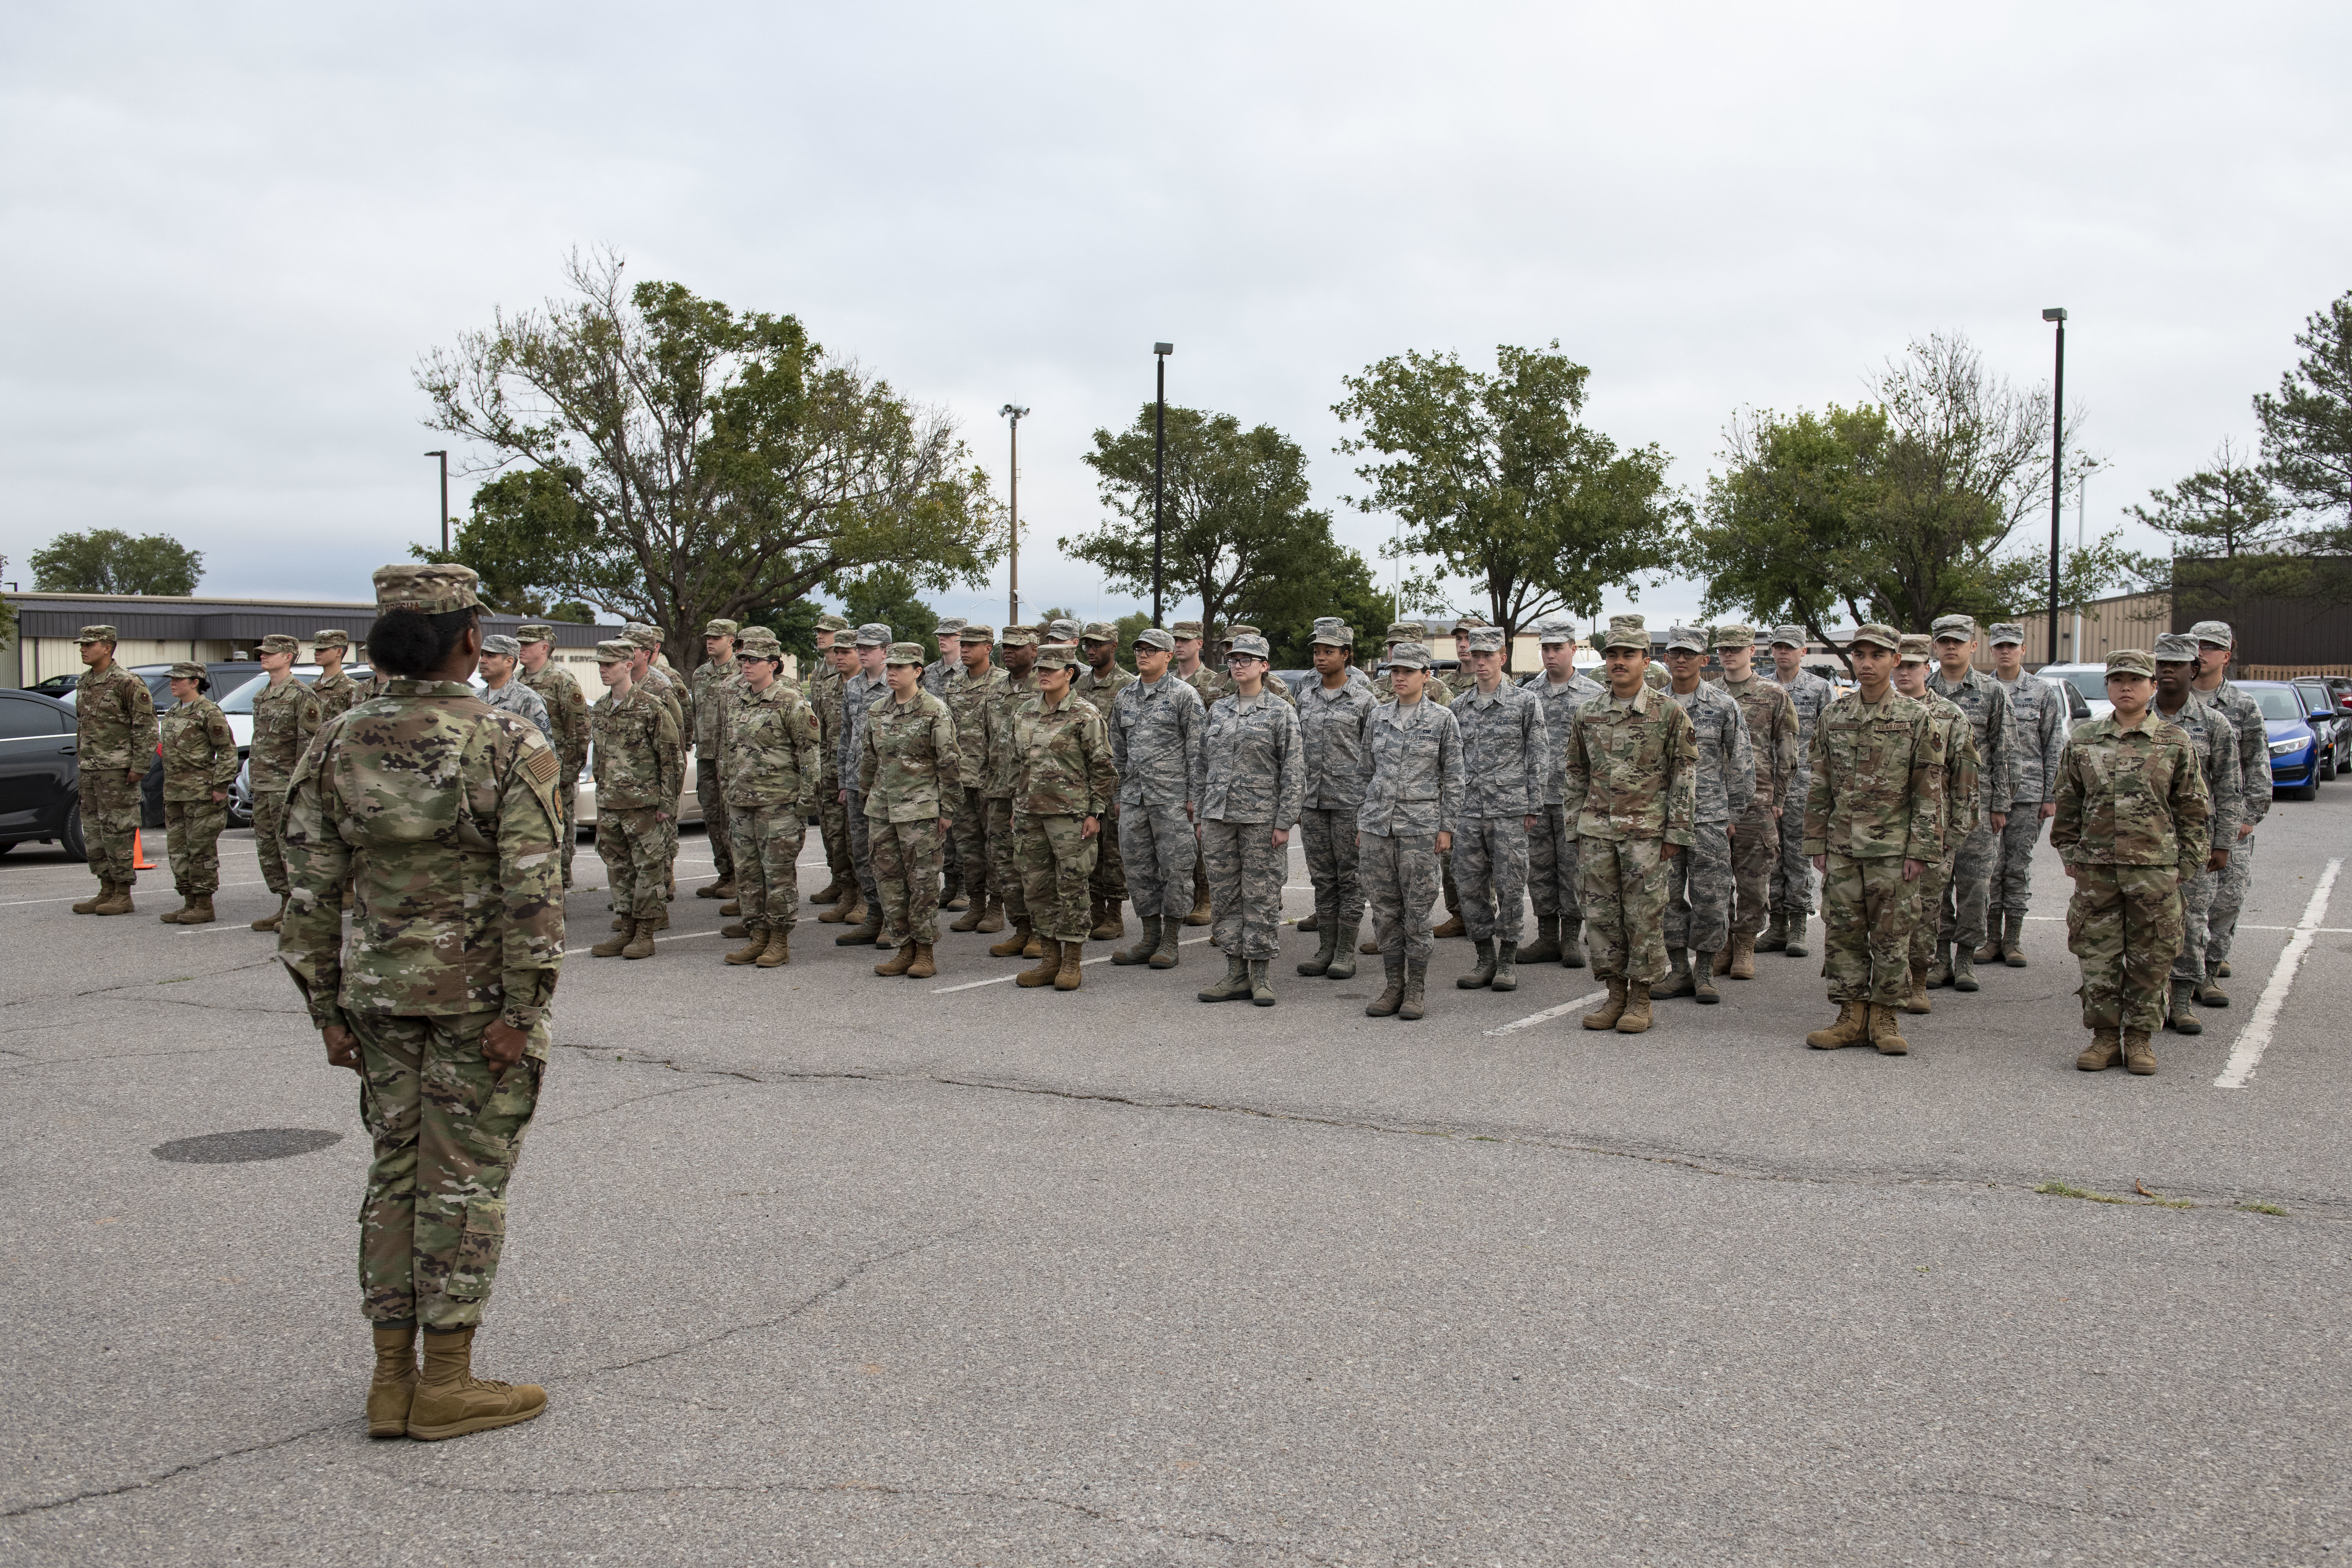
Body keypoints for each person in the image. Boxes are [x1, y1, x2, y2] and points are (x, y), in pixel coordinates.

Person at [278, 563, 565, 1443]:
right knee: (463, 1181)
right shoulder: (508, 740)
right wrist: (522, 1011)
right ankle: (445, 1382)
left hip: (376, 998)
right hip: (478, 1005)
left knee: (396, 1176)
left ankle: (389, 1383)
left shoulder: (337, 740)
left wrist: (326, 1010)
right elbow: (532, 890)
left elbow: (307, 887)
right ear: (470, 638)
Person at [2052, 649, 2213, 1075]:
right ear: (2108, 686)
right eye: (2117, 680)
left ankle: (2140, 1038)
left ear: (2152, 687)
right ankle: (2105, 1038)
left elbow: (2193, 808)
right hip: (2097, 872)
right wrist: (2070, 853)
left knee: (2151, 958)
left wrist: (2186, 865)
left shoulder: (2174, 741)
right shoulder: (2084, 739)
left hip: (2155, 871)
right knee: (2097, 956)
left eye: (2136, 680)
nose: (2126, 687)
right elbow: (2068, 801)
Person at [1802, 624, 1941, 1056]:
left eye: (1877, 655)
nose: (1867, 663)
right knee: (1843, 933)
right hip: (1843, 846)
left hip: (1893, 848)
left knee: (1892, 935)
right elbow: (1820, 782)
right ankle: (1851, 1016)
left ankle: (1885, 1016)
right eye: (1860, 655)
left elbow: (1928, 788)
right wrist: (1817, 842)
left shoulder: (1916, 717)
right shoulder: (1835, 715)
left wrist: (1921, 849)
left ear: (1895, 660)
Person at [1562, 615, 1697, 1034]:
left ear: (1645, 659)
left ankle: (1641, 998)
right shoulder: (1587, 713)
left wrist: (1676, 834)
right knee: (1601, 918)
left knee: (1644, 917)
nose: (1619, 662)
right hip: (1597, 833)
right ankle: (1615, 994)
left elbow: (1684, 777)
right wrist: (1575, 828)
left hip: (1646, 835)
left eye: (1629, 654)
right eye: (1613, 655)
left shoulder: (1668, 713)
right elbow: (1575, 773)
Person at [1356, 642, 1464, 1020]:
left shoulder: (1442, 719)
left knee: (1417, 912)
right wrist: (1363, 821)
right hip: (1377, 828)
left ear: (1426, 675)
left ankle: (1416, 988)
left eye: (1407, 671)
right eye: (1394, 671)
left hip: (1420, 829)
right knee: (1384, 911)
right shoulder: (1378, 716)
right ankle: (1393, 986)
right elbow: (1365, 772)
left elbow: (1455, 777)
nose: (1399, 677)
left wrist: (1447, 827)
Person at [1195, 633, 1303, 1005]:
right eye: (1233, 659)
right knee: (1225, 895)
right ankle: (1235, 972)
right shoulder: (1219, 710)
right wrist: (1201, 812)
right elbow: (1202, 765)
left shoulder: (1280, 711)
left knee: (1261, 895)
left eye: (1247, 659)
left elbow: (1294, 769)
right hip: (1219, 817)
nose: (1238, 665)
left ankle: (1260, 975)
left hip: (1261, 819)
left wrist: (1285, 821)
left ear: (1264, 666)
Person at [1011, 643, 1117, 991]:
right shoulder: (1025, 712)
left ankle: (1072, 961)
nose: (1043, 674)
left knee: (1072, 887)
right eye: (1040, 669)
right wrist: (1016, 807)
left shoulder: (1085, 715)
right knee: (1036, 888)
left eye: (1051, 670)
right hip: (1030, 815)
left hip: (1071, 817)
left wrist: (1096, 812)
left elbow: (1103, 768)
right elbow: (1016, 765)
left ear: (1069, 674)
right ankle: (1049, 959)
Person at [1655, 625, 1752, 1004]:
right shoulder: (1654, 704)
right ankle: (1679, 969)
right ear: (1666, 658)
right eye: (1675, 653)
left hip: (1709, 818)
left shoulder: (1723, 705)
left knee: (1711, 898)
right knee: (1666, 898)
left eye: (1689, 654)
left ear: (1704, 660)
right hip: (1662, 820)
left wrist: (1733, 814)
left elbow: (1742, 763)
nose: (1681, 659)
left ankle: (1706, 971)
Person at [2151, 633, 2242, 1035]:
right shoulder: (2136, 716)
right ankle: (2150, 1000)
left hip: (2194, 842)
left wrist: (2223, 843)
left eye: (2178, 663)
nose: (2168, 670)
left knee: (2191, 921)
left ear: (2194, 668)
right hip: (2143, 841)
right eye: (2162, 663)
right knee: (2145, 922)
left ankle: (2183, 1000)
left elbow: (2230, 787)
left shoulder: (2214, 723)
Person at [1447, 625, 1547, 992]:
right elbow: (1450, 763)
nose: (1481, 662)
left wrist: (1534, 804)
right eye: (1476, 655)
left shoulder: (1524, 702)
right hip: (1468, 810)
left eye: (1488, 655)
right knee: (1470, 886)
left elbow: (1538, 754)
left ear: (1503, 657)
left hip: (1510, 809)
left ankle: (1507, 959)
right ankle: (1484, 957)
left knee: (1510, 885)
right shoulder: (1459, 706)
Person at [1925, 615, 2018, 992]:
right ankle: (1939, 958)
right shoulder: (1922, 688)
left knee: (1976, 885)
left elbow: (2006, 751)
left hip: (1977, 806)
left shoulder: (1992, 692)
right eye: (1944, 641)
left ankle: (1965, 957)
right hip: (1931, 807)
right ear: (1935, 646)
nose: (1951, 647)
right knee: (1935, 885)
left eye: (1959, 641)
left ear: (1973, 646)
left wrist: (2002, 805)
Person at [719, 627, 821, 969]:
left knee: (777, 874)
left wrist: (806, 803)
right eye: (743, 659)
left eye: (754, 660)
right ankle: (757, 935)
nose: (746, 665)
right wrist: (728, 790)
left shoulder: (791, 701)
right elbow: (729, 751)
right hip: (741, 802)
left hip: (779, 804)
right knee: (748, 873)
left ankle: (779, 939)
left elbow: (809, 754)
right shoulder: (736, 700)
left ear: (774, 664)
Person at [860, 642, 961, 978]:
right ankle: (904, 948)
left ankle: (925, 952)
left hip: (921, 812)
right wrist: (866, 798)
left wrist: (947, 809)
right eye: (889, 667)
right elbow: (869, 759)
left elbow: (949, 762)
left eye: (899, 668)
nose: (892, 673)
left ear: (918, 671)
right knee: (888, 882)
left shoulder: (934, 710)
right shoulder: (877, 710)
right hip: (882, 810)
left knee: (923, 884)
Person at [1110, 626, 1207, 970]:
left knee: (1176, 869)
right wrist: (1119, 794)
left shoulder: (1184, 695)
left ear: (1168, 656)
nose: (1143, 655)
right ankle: (1149, 936)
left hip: (1172, 798)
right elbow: (1117, 752)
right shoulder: (1125, 696)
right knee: (1138, 870)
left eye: (1151, 650)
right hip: (1135, 798)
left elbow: (1198, 751)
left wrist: (1195, 797)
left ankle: (1170, 940)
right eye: (1139, 649)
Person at [2187, 619, 2272, 996]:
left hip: (2228, 820)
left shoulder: (2242, 705)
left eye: (2209, 646)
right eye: (2196, 645)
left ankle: (2209, 969)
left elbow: (2257, 763)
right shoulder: (2169, 700)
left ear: (2227, 654)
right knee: (2186, 903)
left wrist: (2249, 817)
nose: (2201, 653)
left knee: (2226, 901)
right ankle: (2185, 973)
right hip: (2182, 822)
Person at [1893, 636, 1976, 1018]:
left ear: (1928, 669)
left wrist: (1954, 835)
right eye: (1900, 665)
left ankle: (1919, 980)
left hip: (1931, 831)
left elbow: (1966, 780)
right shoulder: (1879, 711)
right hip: (1883, 831)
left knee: (1926, 910)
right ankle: (1889, 980)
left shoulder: (1950, 716)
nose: (1905, 672)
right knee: (1886, 909)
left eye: (1913, 666)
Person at [1709, 625, 1797, 980]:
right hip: (1714, 801)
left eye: (1735, 649)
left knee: (1753, 880)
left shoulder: (1773, 694)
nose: (1728, 655)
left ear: (1752, 651)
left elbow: (1787, 750)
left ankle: (1745, 944)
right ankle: (1723, 945)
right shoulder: (1709, 693)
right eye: (1723, 649)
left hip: (1757, 801)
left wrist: (1779, 797)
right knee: (1716, 880)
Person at [587, 638, 682, 959]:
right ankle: (627, 928)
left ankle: (645, 934)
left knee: (648, 869)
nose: (603, 670)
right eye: (600, 665)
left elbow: (671, 759)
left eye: (609, 665)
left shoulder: (650, 707)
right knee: (619, 869)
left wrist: (667, 805)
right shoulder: (601, 708)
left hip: (644, 806)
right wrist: (601, 798)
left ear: (628, 665)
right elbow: (600, 758)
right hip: (611, 803)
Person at [1292, 617, 1375, 979]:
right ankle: (1326, 946)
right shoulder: (1304, 696)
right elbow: (1295, 751)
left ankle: (1345, 950)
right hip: (1313, 802)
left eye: (1329, 651)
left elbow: (1374, 757)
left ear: (1346, 655)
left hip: (1349, 803)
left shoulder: (1364, 700)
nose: (1321, 657)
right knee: (1323, 877)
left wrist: (1369, 806)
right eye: (1317, 651)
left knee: (1350, 877)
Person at [1981, 622, 2068, 967]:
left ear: (2023, 650)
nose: (2006, 651)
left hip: (2028, 795)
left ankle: (2013, 941)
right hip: (1988, 794)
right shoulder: (1983, 689)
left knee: (2017, 867)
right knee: (1990, 867)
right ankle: (1990, 940)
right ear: (1991, 650)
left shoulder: (2042, 692)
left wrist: (2050, 795)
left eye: (2012, 646)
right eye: (2000, 646)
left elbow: (2053, 745)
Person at [1520, 615, 1604, 969]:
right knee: (1539, 871)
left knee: (1573, 872)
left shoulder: (1594, 695)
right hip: (1537, 799)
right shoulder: (1528, 695)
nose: (1551, 655)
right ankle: (1547, 938)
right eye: (1546, 649)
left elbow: (1601, 753)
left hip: (1576, 800)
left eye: (1558, 648)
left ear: (1573, 649)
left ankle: (1571, 939)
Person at [67, 624, 158, 917]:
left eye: (89, 645)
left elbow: (146, 727)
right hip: (91, 768)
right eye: (82, 645)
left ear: (107, 648)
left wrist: (140, 766)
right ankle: (106, 888)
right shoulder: (85, 681)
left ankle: (122, 893)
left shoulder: (126, 682)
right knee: (94, 831)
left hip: (118, 770)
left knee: (118, 830)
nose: (83, 649)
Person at [1761, 625, 1836, 959]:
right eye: (1779, 646)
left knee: (1798, 856)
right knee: (1771, 857)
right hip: (1766, 785)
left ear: (1803, 652)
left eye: (1790, 647)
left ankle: (1798, 926)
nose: (1783, 652)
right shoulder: (1762, 687)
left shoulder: (1819, 689)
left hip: (1803, 786)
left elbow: (1830, 740)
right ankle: (1776, 925)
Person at [247, 633, 324, 933]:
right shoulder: (262, 695)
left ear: (288, 657)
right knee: (268, 849)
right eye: (262, 653)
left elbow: (309, 746)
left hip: (285, 786)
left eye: (270, 653)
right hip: (263, 784)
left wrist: (301, 787)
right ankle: (284, 903)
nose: (263, 656)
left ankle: (298, 909)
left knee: (289, 847)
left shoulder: (302, 695)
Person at [155, 661, 239, 924]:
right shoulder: (173, 712)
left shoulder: (208, 712)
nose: (173, 683)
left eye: (179, 679)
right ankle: (189, 901)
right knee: (178, 851)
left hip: (201, 793)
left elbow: (227, 750)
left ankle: (204, 904)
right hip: (175, 793)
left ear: (195, 683)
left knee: (200, 850)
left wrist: (221, 786)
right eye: (171, 679)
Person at [515, 624, 591, 890]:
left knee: (561, 829)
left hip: (556, 770)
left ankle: (560, 882)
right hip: (524, 770)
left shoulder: (562, 680)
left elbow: (580, 730)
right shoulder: (517, 680)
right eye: (520, 644)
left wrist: (569, 774)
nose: (521, 649)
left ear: (545, 648)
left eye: (528, 644)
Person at [984, 628, 1045, 958]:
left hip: (1035, 792)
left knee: (1034, 865)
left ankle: (1041, 932)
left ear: (1034, 650)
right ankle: (1021, 929)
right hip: (998, 790)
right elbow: (987, 740)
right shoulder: (995, 690)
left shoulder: (1046, 685)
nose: (1008, 651)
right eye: (1005, 646)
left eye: (1016, 647)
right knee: (1004, 865)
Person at [945, 623, 1008, 934]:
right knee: (968, 848)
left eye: (972, 644)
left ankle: (996, 907)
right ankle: (976, 905)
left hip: (990, 781)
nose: (965, 649)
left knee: (995, 847)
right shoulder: (954, 685)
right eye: (963, 644)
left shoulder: (1002, 684)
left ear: (989, 647)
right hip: (961, 780)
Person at [1076, 621, 1137, 941]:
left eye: (1098, 644)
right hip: (1082, 780)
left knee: (1113, 850)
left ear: (1114, 646)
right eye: (1087, 644)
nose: (1091, 650)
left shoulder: (1129, 686)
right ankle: (1095, 910)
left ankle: (1114, 913)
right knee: (1087, 846)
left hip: (1114, 781)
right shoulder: (1078, 685)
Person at [833, 624, 893, 948]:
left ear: (886, 650)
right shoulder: (853, 686)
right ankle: (874, 914)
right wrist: (844, 781)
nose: (862, 652)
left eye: (869, 647)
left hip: (888, 785)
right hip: (857, 784)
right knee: (861, 853)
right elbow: (847, 735)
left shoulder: (898, 684)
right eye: (860, 647)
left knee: (887, 855)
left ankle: (894, 921)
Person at [1169, 619, 1221, 928]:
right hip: (1172, 773)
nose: (1179, 644)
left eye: (1186, 640)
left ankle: (1207, 897)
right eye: (1176, 639)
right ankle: (1186, 896)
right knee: (1179, 841)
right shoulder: (1167, 682)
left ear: (1200, 644)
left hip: (1205, 770)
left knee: (1203, 838)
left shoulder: (1215, 683)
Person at [688, 619, 744, 900]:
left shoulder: (741, 671)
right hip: (706, 756)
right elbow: (695, 712)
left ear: (731, 641)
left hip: (730, 758)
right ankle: (725, 874)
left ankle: (740, 877)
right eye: (708, 637)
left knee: (731, 820)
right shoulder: (700, 674)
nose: (710, 642)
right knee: (711, 817)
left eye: (717, 638)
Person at [807, 614, 859, 909]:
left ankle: (860, 894)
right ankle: (841, 885)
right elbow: (820, 729)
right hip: (829, 768)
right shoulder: (823, 681)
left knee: (855, 837)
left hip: (856, 773)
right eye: (836, 651)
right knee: (833, 833)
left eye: (844, 651)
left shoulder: (869, 686)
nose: (838, 656)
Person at [477, 635, 553, 742]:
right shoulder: (477, 699)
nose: (482, 661)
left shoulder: (529, 700)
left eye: (490, 656)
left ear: (509, 662)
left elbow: (544, 746)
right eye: (482, 656)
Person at [311, 629, 363, 725]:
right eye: (316, 649)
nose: (316, 653)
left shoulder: (353, 688)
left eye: (322, 650)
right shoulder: (312, 686)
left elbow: (356, 725)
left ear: (339, 652)